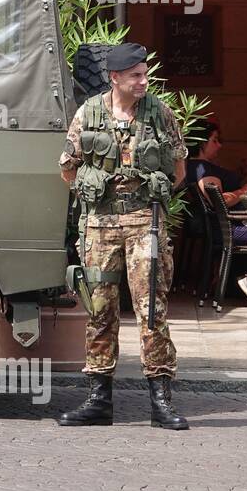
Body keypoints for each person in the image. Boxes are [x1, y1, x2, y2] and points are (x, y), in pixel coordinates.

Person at [57, 42, 190, 430]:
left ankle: (161, 402)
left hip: (144, 222)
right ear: (114, 78)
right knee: (100, 311)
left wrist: (149, 191)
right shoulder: (89, 114)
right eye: (135, 75)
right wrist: (95, 189)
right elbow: (68, 170)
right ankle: (99, 400)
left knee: (153, 311)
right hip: (99, 225)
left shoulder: (159, 113)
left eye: (145, 74)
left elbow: (180, 170)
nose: (143, 81)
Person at [188, 121, 247, 304]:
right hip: (229, 228)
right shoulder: (203, 169)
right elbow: (218, 200)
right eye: (214, 140)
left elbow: (223, 187)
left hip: (226, 226)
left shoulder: (197, 167)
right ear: (201, 143)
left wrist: (241, 174)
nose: (219, 145)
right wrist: (244, 191)